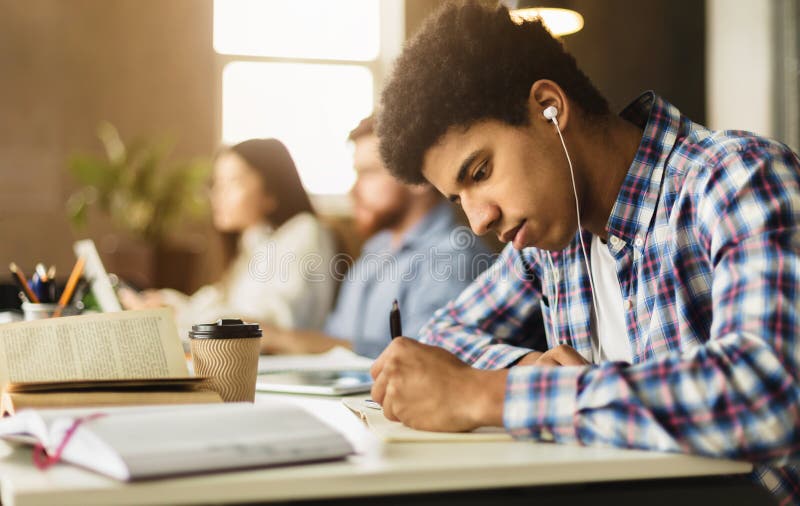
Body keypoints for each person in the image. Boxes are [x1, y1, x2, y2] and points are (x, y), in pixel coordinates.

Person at [369, 2, 800, 502]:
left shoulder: (737, 178)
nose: (478, 218)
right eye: (457, 198)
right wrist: (528, 370)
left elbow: (768, 395)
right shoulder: (553, 242)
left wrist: (488, 395)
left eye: (480, 172)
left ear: (549, 106)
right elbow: (443, 336)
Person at [261, 115, 499, 359]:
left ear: (418, 180)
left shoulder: (455, 256)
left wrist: (284, 339)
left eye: (369, 173)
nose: (354, 190)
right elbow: (336, 341)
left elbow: (428, 360)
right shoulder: (375, 250)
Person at [120, 138, 337, 335]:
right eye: (216, 184)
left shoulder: (304, 231)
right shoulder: (250, 248)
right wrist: (168, 304)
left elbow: (276, 322)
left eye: (232, 183)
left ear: (271, 190)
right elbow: (220, 305)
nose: (217, 195)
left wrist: (179, 315)